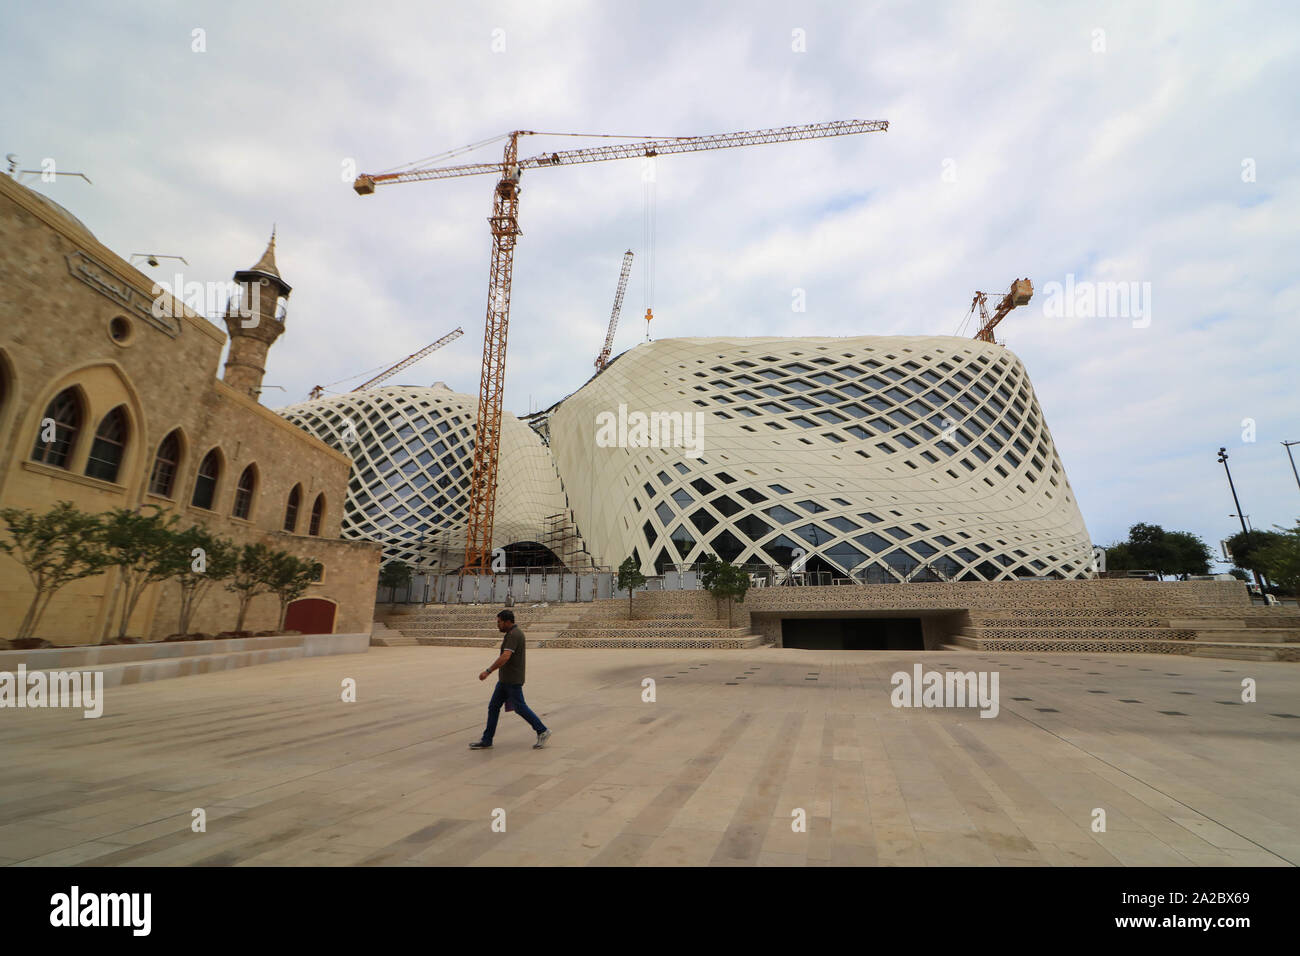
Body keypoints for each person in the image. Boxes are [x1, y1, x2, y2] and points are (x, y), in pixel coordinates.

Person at [470, 609, 551, 750]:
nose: (498, 625)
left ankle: (542, 730)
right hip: (505, 681)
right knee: (494, 707)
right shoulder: (511, 634)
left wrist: (488, 671)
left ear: (508, 622)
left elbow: (506, 656)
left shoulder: (514, 635)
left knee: (520, 707)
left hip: (512, 680)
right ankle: (487, 739)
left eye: (499, 622)